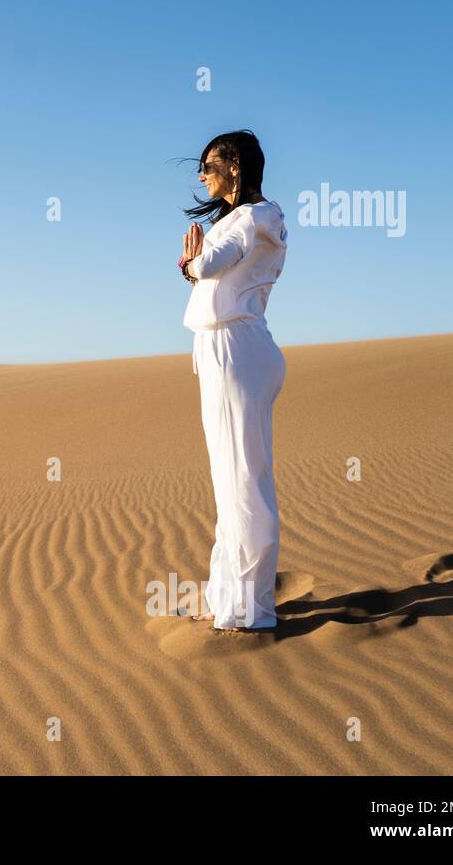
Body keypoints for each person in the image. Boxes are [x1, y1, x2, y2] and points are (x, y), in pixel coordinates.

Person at [176, 130, 287, 632]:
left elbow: (215, 262)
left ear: (236, 165)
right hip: (225, 348)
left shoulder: (257, 217)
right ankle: (227, 600)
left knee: (245, 479)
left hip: (236, 348)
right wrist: (194, 268)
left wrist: (193, 263)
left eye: (209, 165)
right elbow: (209, 269)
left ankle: (251, 611)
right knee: (229, 480)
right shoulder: (243, 219)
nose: (203, 176)